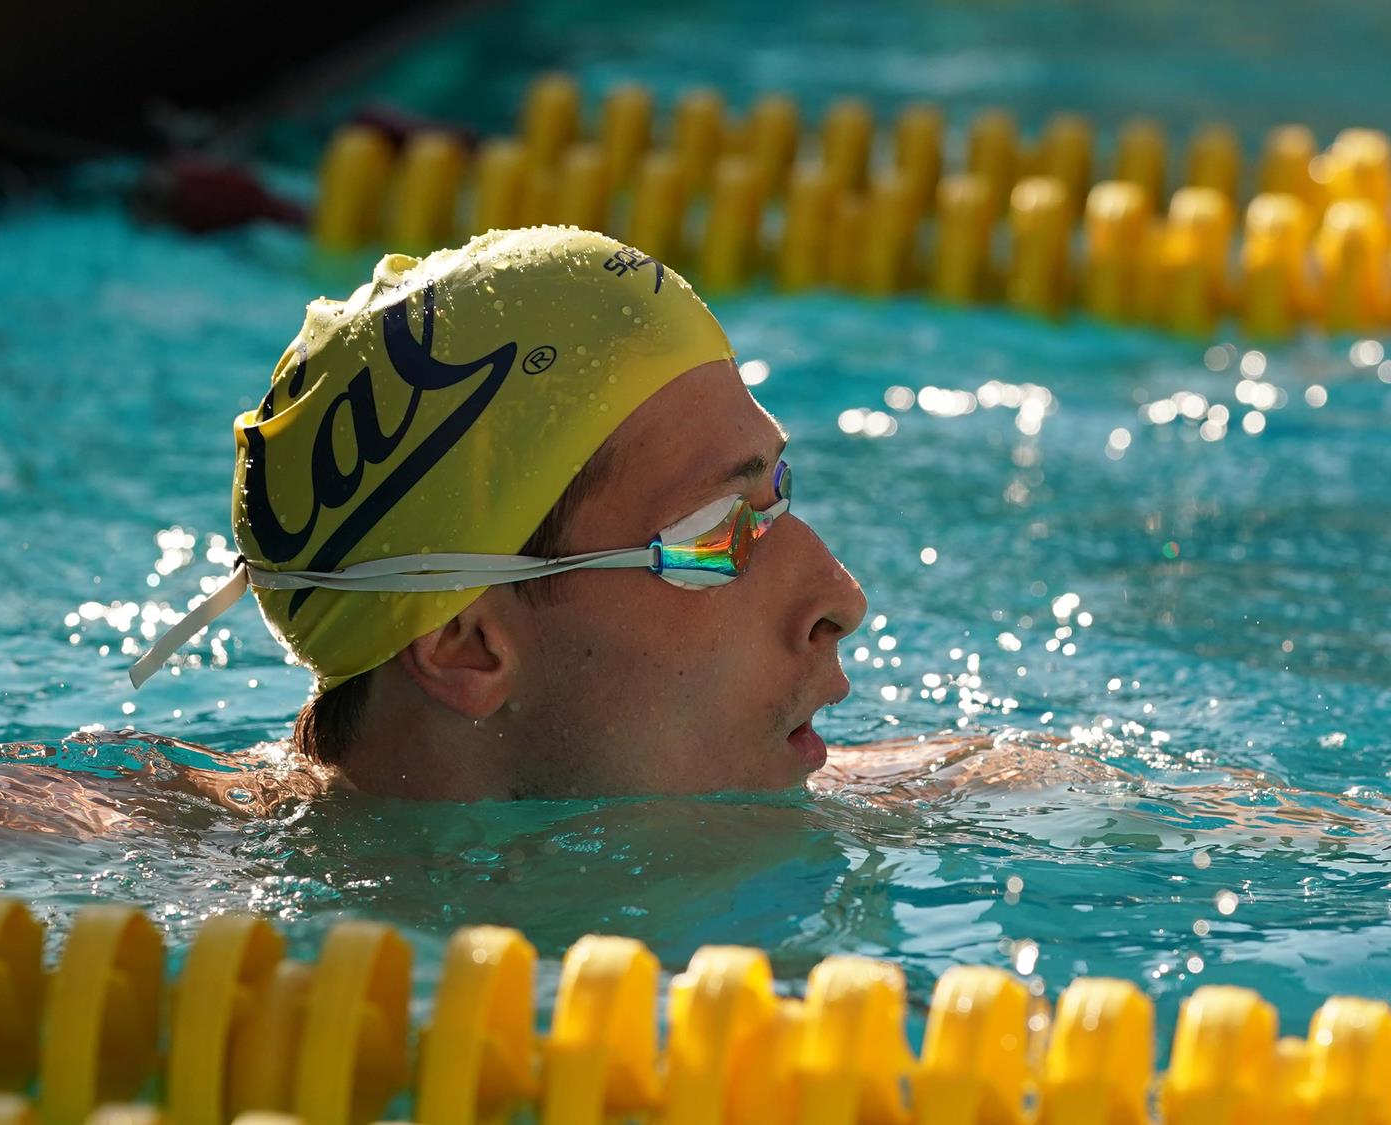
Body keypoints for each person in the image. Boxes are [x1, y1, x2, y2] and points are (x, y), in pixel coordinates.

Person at [132, 226, 869, 799]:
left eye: (778, 488)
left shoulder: (919, 802)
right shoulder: (94, 861)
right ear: (464, 645)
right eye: (718, 535)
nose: (842, 597)